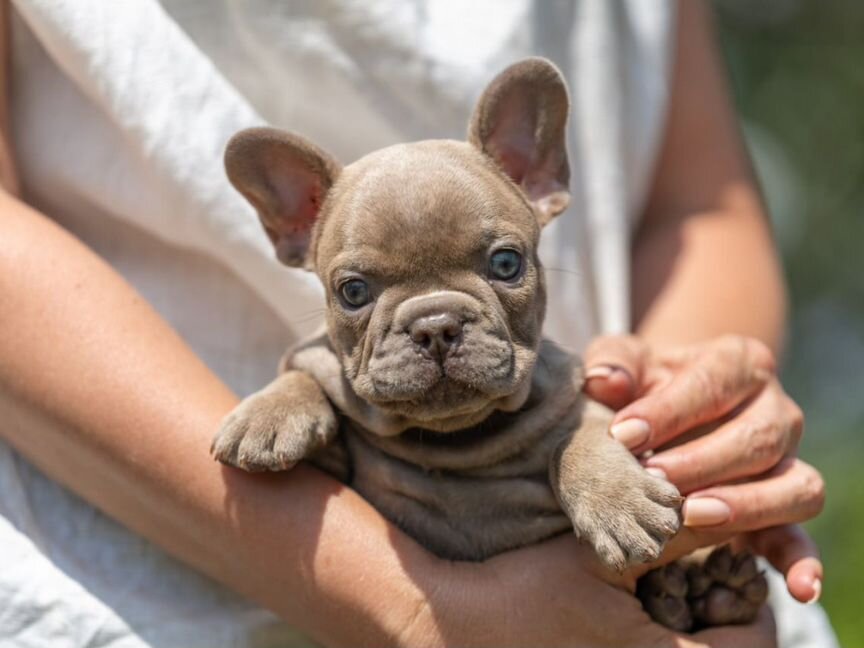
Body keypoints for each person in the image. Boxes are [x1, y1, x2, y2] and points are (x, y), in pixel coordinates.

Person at [0, 0, 836, 646]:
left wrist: (687, 427)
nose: (435, 326)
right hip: (184, 598)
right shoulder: (330, 371)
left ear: (537, 177)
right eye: (361, 292)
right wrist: (410, 608)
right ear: (295, 226)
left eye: (500, 267)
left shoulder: (553, 388)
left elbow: (697, 211)